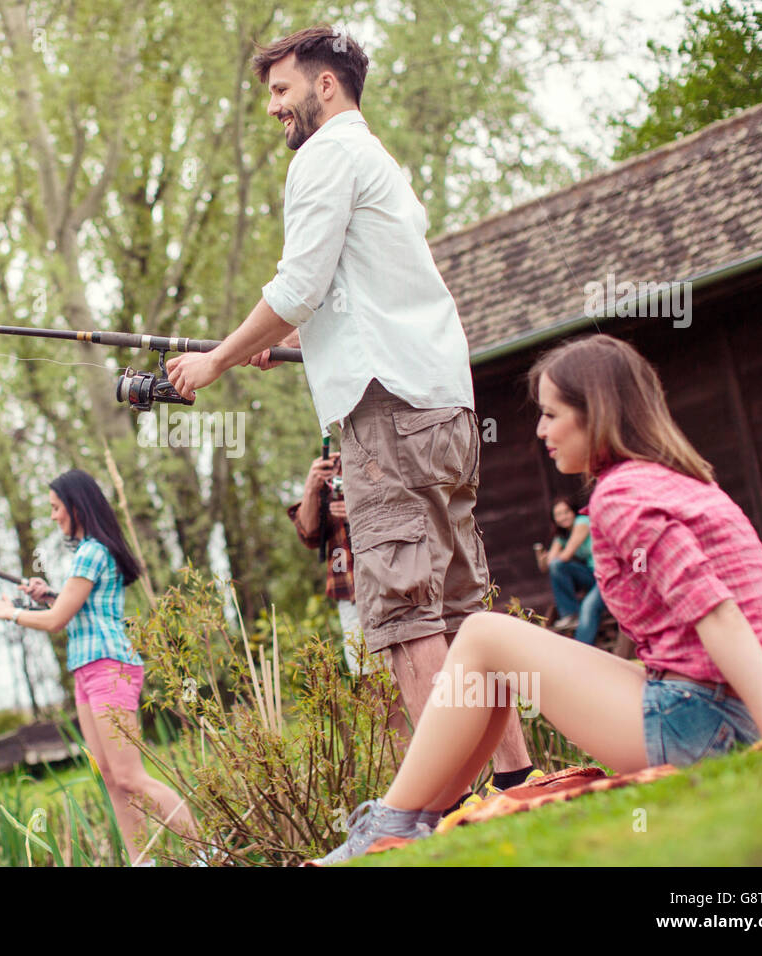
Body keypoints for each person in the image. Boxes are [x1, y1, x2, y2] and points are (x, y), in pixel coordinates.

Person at [165, 24, 539, 810]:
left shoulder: (325, 155)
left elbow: (299, 282)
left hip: (383, 416)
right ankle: (518, 782)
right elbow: (351, 290)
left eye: (280, 90)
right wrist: (290, 338)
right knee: (465, 607)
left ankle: (451, 804)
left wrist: (217, 360)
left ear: (323, 85)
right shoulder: (380, 162)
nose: (273, 109)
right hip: (443, 405)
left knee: (405, 611)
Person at [313, 334, 762, 864]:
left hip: (702, 726)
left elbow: (720, 614)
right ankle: (422, 819)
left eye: (552, 415)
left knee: (483, 633)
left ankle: (390, 824)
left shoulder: (622, 497)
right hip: (715, 710)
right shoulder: (687, 484)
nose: (541, 431)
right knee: (490, 656)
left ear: (596, 414)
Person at [0, 469, 198, 865]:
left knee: (131, 776)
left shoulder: (92, 552)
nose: (52, 516)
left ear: (76, 506)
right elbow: (75, 610)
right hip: (87, 671)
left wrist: (10, 613)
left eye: (55, 507)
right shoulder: (87, 553)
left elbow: (57, 621)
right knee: (113, 779)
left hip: (109, 668)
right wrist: (48, 594)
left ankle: (206, 857)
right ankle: (142, 862)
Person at [288, 451, 411, 742]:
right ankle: (402, 778)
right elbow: (309, 534)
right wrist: (311, 485)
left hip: (395, 584)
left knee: (416, 674)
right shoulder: (329, 468)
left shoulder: (372, 457)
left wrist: (360, 507)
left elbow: (400, 504)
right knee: (379, 694)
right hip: (352, 594)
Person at [537, 496, 603, 644]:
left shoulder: (582, 522)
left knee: (588, 607)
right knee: (557, 567)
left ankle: (582, 651)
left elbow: (565, 556)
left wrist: (552, 557)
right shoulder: (562, 535)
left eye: (566, 512)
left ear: (573, 511)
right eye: (558, 514)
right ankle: (570, 614)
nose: (563, 517)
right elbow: (550, 565)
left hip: (604, 575)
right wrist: (546, 559)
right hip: (590, 575)